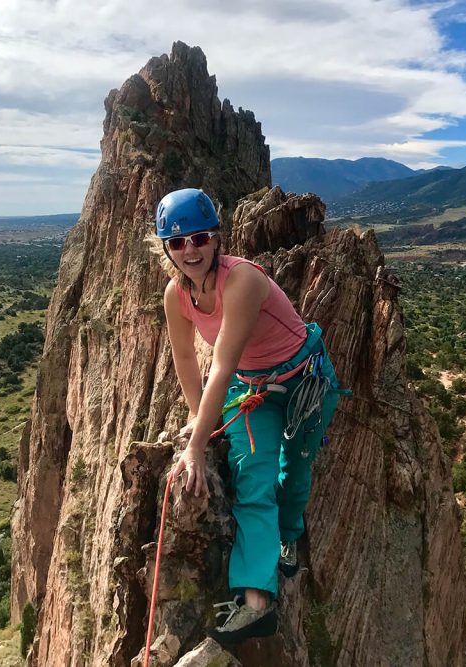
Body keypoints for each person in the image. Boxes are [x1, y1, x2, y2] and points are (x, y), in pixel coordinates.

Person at [153, 188, 345, 645]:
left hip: (304, 383)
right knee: (252, 478)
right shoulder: (175, 295)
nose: (190, 250)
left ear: (216, 239)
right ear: (166, 248)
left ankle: (288, 536)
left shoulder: (242, 281)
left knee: (292, 475)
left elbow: (221, 361)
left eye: (198, 237)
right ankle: (257, 601)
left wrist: (198, 443)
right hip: (252, 391)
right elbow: (185, 359)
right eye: (177, 242)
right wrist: (198, 418)